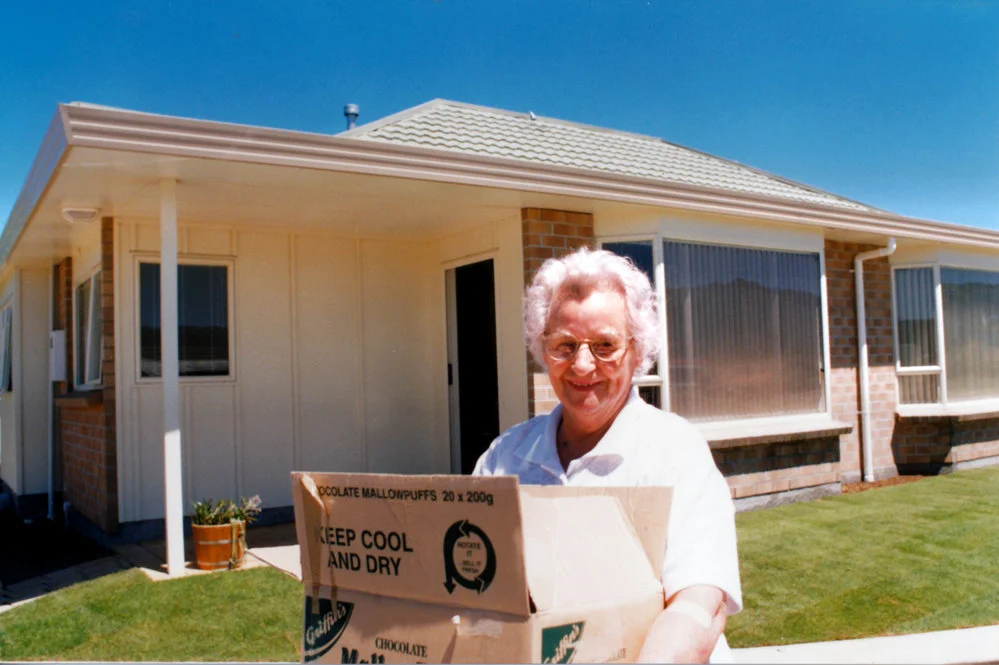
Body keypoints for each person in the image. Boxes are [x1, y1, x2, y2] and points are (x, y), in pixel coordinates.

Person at [473, 247, 742, 664]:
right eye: (565, 345)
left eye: (604, 345)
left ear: (637, 350)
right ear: (543, 350)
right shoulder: (504, 458)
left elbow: (699, 604)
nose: (582, 365)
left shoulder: (676, 452)